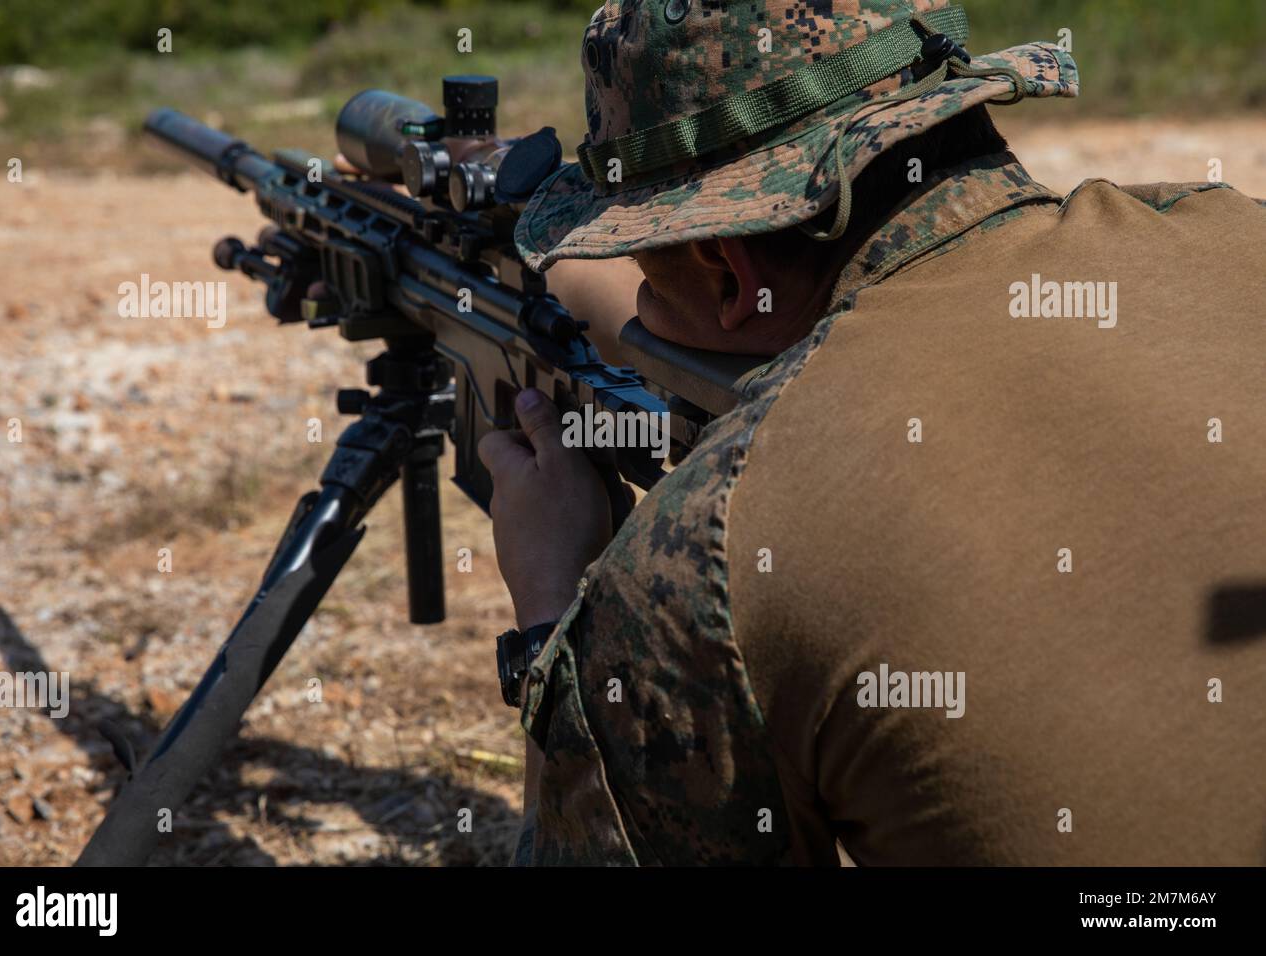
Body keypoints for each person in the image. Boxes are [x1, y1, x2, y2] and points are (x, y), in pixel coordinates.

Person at [477, 0, 1266, 865]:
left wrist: (553, 614)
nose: (641, 307)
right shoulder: (1234, 230)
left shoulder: (706, 544)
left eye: (645, 273)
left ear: (727, 274)